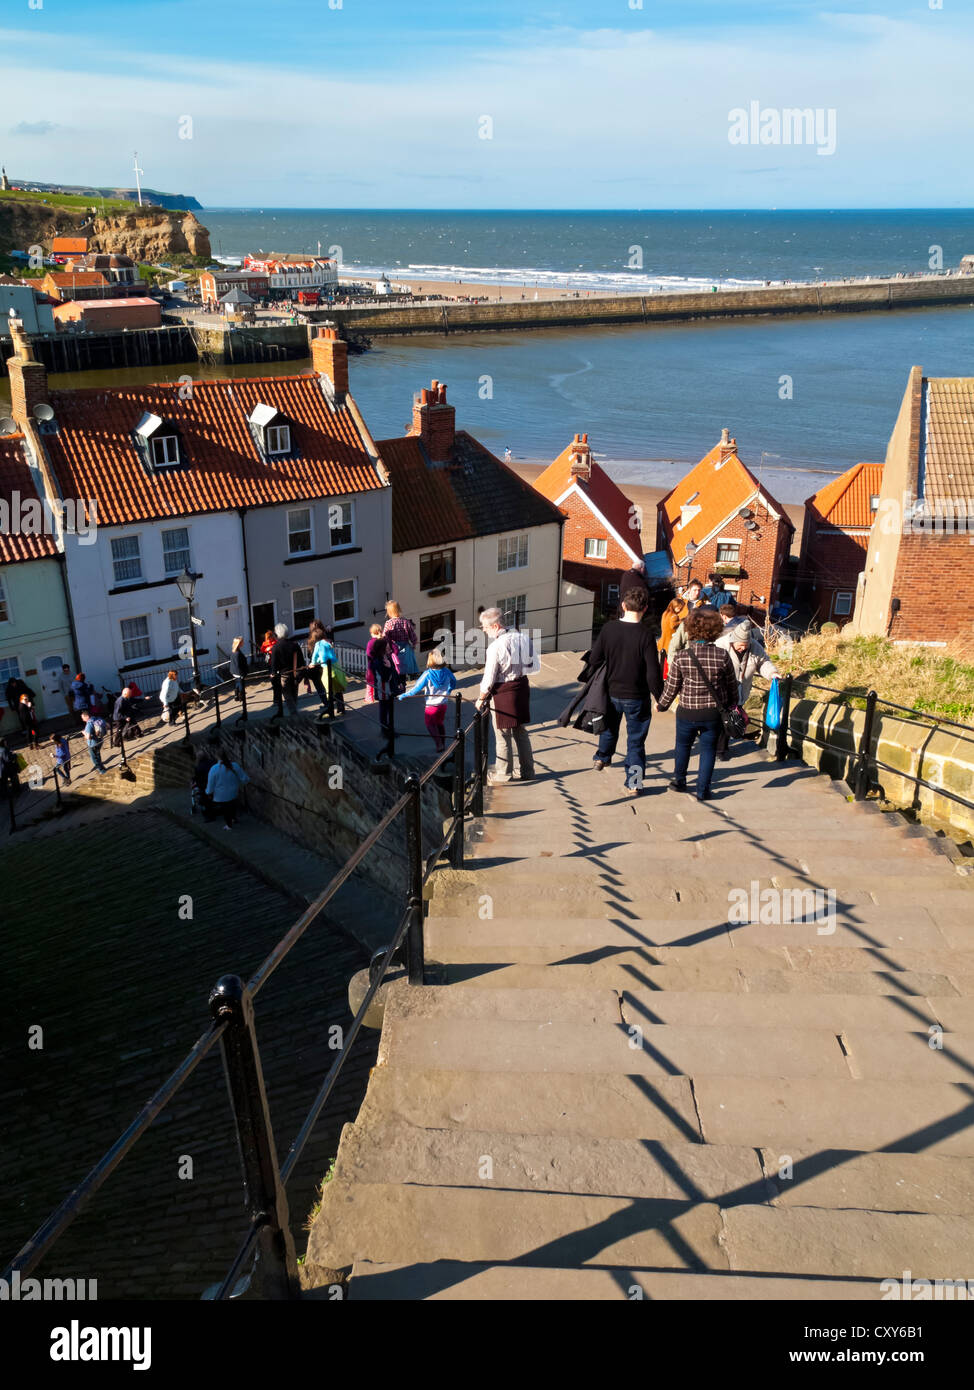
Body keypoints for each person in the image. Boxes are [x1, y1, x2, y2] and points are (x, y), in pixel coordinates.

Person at [585, 587, 664, 795]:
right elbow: (652, 672)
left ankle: (602, 757)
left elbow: (594, 659)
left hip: (611, 692)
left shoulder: (609, 629)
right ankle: (634, 782)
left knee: (609, 728)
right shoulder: (646, 635)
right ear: (645, 609)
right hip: (637, 697)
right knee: (636, 742)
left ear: (623, 606)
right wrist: (660, 697)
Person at [657, 605, 740, 801]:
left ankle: (679, 781)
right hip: (712, 712)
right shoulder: (722, 656)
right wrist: (732, 705)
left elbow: (672, 686)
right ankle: (703, 790)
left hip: (687, 711)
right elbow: (731, 686)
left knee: (683, 746)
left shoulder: (682, 657)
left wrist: (661, 705)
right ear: (715, 631)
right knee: (708, 749)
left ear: (691, 630)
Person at [475, 607, 535, 785]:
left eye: (484, 627)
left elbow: (489, 678)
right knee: (520, 731)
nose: (483, 630)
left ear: (495, 626)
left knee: (502, 734)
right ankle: (528, 771)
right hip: (521, 686)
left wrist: (480, 698)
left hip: (503, 691)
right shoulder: (522, 638)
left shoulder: (495, 647)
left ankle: (503, 773)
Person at [715, 619, 779, 759]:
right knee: (722, 720)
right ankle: (719, 751)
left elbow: (763, 662)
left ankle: (723, 747)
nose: (742, 648)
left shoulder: (755, 646)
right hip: (722, 691)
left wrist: (772, 673)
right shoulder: (720, 645)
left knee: (733, 718)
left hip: (740, 690)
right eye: (739, 646)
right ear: (733, 640)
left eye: (745, 646)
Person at [398, 648, 457, 753]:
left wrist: (404, 695)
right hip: (443, 703)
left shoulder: (427, 674)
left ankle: (438, 744)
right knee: (439, 723)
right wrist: (449, 690)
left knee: (429, 724)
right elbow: (453, 681)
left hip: (431, 705)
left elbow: (416, 688)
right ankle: (442, 742)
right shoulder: (447, 671)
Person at [366, 623, 398, 753]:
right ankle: (385, 730)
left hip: (387, 688)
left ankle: (389, 729)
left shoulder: (384, 658)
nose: (389, 648)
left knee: (389, 709)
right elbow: (385, 676)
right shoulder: (378, 662)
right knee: (384, 709)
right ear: (382, 649)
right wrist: (389, 666)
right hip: (383, 688)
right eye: (387, 647)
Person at [205, 750, 250, 829]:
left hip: (221, 795)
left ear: (217, 757)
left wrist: (208, 792)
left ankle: (229, 825)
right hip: (233, 791)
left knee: (225, 810)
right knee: (232, 805)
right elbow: (244, 778)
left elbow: (211, 783)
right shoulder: (234, 765)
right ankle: (233, 819)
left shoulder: (214, 768)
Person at [310, 622, 347, 714]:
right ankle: (341, 707)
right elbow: (324, 655)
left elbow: (315, 656)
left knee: (328, 687)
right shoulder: (328, 642)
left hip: (327, 667)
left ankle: (330, 709)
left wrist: (313, 663)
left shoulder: (318, 644)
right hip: (335, 665)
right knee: (337, 688)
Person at [269, 622, 301, 717]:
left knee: (288, 697)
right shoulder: (295, 645)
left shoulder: (275, 647)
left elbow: (274, 664)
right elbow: (301, 661)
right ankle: (295, 714)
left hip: (284, 675)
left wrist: (273, 674)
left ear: (277, 634)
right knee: (294, 696)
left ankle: (294, 715)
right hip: (295, 674)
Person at [383, 601, 419, 677]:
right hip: (406, 647)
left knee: (396, 667)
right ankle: (404, 683)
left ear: (389, 612)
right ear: (399, 609)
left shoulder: (388, 623)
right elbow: (412, 635)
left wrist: (386, 648)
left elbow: (384, 637)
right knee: (405, 667)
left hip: (394, 648)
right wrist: (414, 644)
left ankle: (399, 684)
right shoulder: (405, 621)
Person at [193, 746, 217, 820]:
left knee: (203, 794)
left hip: (206, 786)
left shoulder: (198, 767)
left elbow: (198, 779)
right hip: (217, 784)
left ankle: (209, 815)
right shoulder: (213, 762)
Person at [230, 637, 248, 701]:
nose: (243, 643)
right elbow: (238, 664)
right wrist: (242, 673)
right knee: (241, 685)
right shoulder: (237, 653)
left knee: (237, 683)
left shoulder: (233, 651)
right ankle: (241, 697)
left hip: (234, 671)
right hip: (239, 672)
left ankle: (236, 696)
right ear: (239, 643)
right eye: (242, 642)